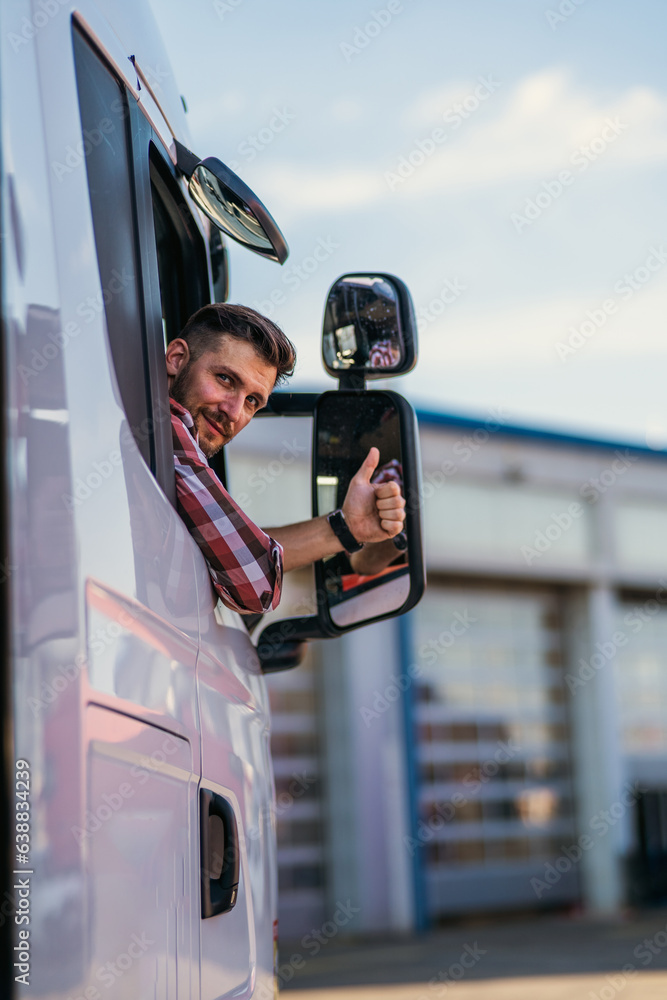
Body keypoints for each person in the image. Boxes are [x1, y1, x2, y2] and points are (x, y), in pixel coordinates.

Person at [166, 303, 406, 615]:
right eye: (225, 379)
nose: (234, 412)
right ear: (177, 359)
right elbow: (255, 584)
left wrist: (349, 527)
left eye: (252, 401)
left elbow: (241, 548)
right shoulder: (166, 426)